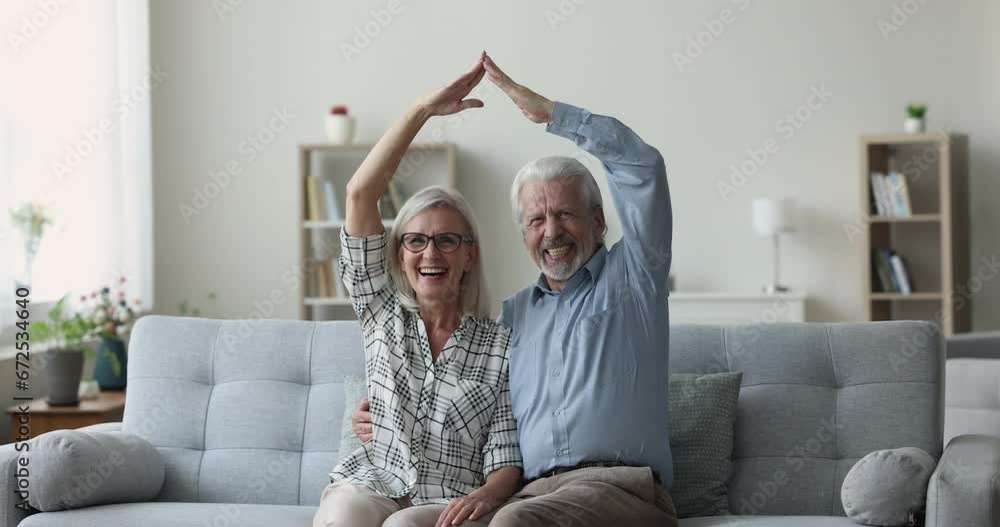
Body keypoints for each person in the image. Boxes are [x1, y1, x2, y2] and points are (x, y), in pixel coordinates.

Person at [353, 53, 678, 526]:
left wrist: (554, 114)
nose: (552, 231)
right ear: (523, 234)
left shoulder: (635, 277)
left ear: (598, 221)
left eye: (565, 214)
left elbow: (643, 167)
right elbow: (482, 413)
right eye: (536, 220)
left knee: (512, 524)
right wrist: (383, 415)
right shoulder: (512, 317)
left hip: (620, 489)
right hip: (530, 495)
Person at [313, 53, 522, 527]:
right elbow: (360, 194)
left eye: (447, 240)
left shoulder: (501, 346)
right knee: (342, 514)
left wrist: (488, 495)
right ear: (399, 252)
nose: (431, 253)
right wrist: (422, 111)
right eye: (416, 240)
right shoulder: (379, 310)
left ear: (469, 255)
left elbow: (505, 451)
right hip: (374, 482)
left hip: (447, 499)